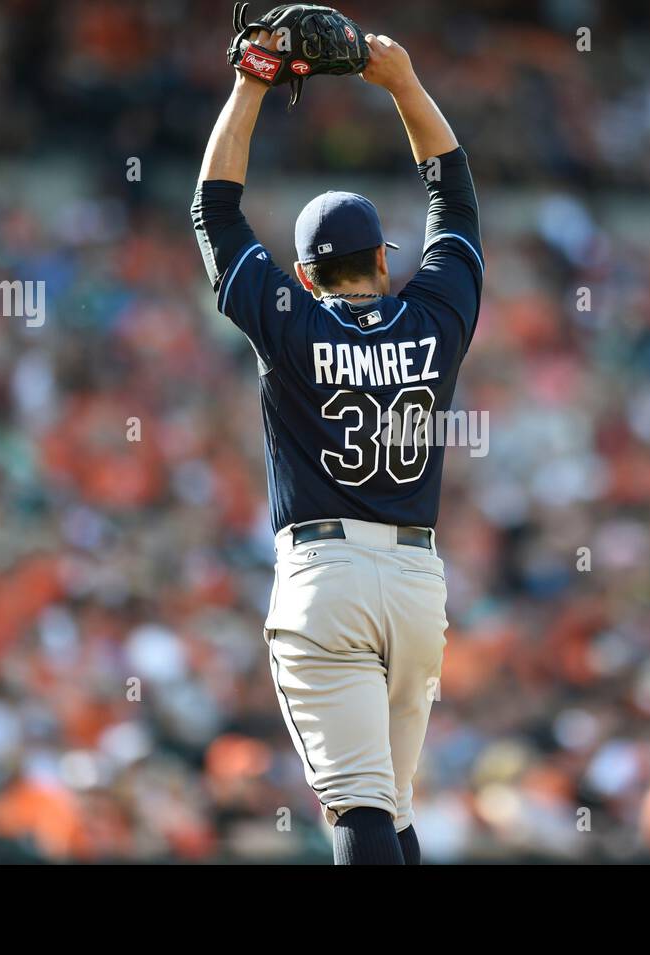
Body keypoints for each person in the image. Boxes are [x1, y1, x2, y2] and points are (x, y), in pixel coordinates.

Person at [191, 31, 484, 864]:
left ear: (307, 273)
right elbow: (454, 200)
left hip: (327, 583)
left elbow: (213, 206)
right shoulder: (435, 315)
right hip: (419, 583)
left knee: (358, 811)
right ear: (383, 263)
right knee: (389, 812)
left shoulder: (295, 321)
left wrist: (252, 82)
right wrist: (402, 81)